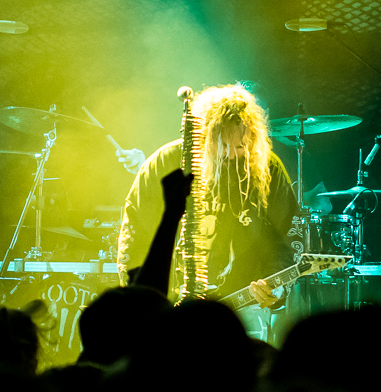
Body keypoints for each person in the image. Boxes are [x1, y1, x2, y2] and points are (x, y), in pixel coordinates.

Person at [117, 84, 300, 317]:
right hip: (169, 311)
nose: (230, 155)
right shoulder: (165, 163)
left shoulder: (267, 168)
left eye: (240, 146)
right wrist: (140, 301)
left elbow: (283, 238)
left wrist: (277, 288)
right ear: (202, 136)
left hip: (242, 311)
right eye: (222, 145)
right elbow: (136, 237)